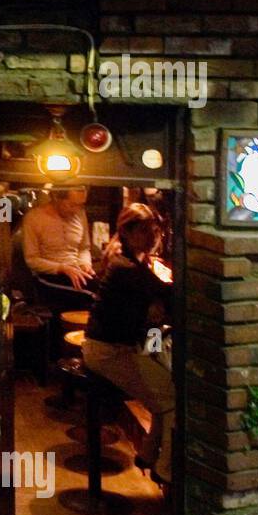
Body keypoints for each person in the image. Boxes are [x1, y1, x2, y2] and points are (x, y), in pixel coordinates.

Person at [81, 203, 176, 483]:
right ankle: (166, 470)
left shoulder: (134, 259)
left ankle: (148, 454)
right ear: (128, 231)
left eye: (156, 229)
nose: (154, 235)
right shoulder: (125, 266)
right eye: (146, 230)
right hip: (108, 351)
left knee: (166, 388)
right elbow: (167, 296)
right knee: (172, 401)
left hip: (125, 343)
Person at [22, 186, 94, 291]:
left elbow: (84, 248)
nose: (77, 210)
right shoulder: (33, 218)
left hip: (76, 271)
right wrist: (63, 268)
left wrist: (85, 264)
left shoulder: (80, 213)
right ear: (56, 198)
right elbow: (32, 260)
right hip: (48, 276)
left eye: (81, 205)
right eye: (72, 205)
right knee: (90, 297)